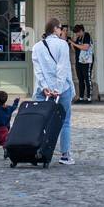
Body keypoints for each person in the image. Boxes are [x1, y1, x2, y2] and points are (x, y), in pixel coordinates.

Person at [31, 18, 75, 165]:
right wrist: (58, 89)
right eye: (60, 28)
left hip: (43, 90)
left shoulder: (37, 46)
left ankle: (37, 150)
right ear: (55, 29)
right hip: (62, 89)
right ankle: (65, 155)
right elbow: (62, 69)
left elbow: (37, 71)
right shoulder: (62, 45)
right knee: (65, 122)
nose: (61, 31)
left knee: (40, 121)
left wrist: (45, 87)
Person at [69, 24, 94, 103]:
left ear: (81, 31)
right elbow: (75, 50)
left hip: (87, 61)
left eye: (77, 32)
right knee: (80, 79)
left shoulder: (87, 35)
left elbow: (85, 47)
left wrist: (74, 43)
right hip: (79, 61)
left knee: (87, 78)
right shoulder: (78, 38)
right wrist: (72, 43)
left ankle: (89, 98)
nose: (76, 34)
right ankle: (81, 97)